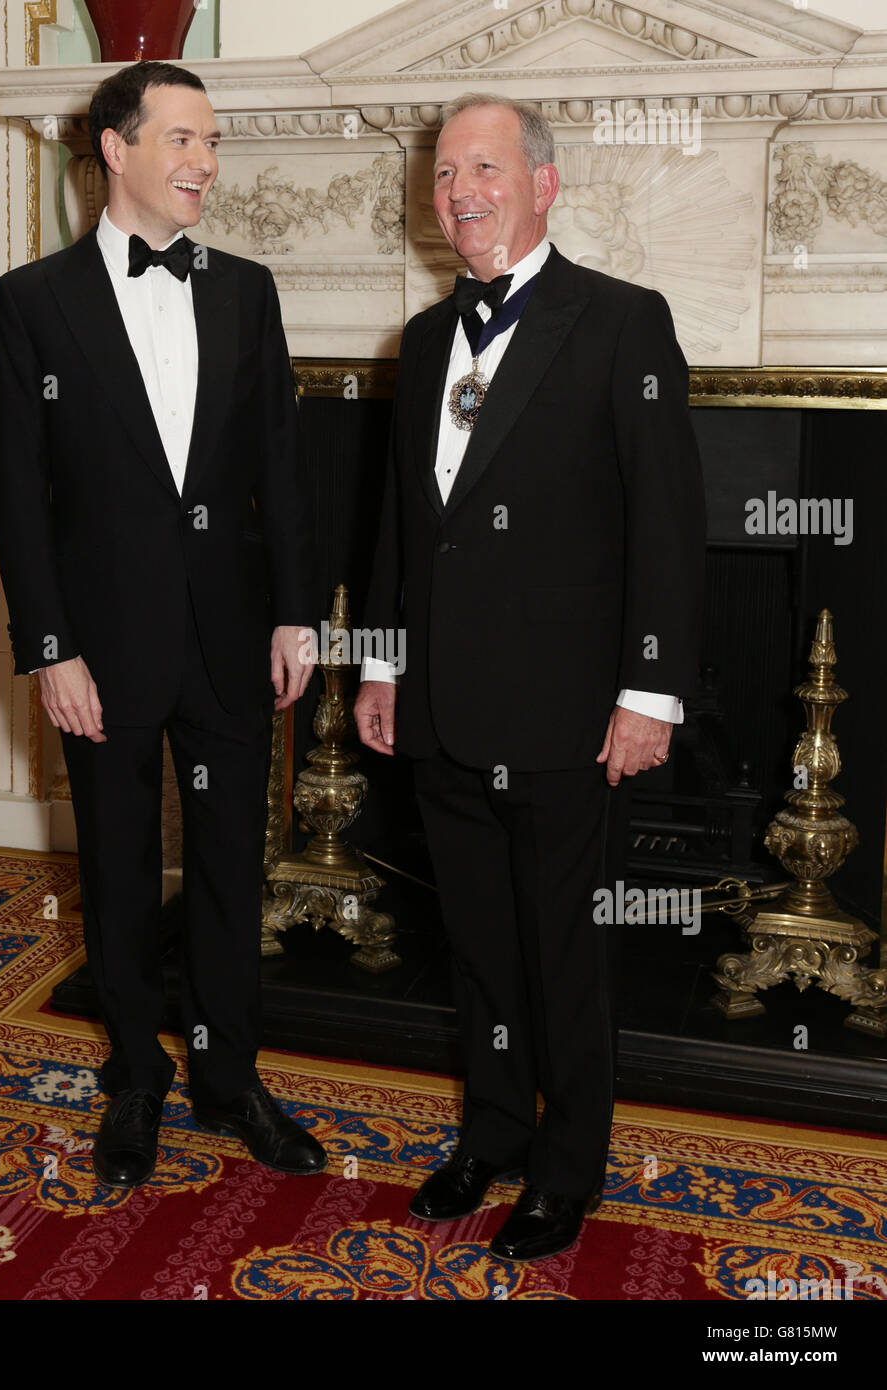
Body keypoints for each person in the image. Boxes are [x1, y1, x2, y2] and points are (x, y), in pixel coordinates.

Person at [354, 93, 705, 1262]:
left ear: (543, 184)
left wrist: (649, 693)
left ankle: (569, 1166)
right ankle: (494, 1130)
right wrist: (386, 662)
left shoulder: (621, 323)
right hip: (445, 709)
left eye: (487, 167)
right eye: (448, 170)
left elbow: (667, 521)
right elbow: (403, 529)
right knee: (481, 947)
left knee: (565, 954)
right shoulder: (420, 341)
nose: (463, 190)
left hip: (570, 715)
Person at [0, 61, 325, 1189]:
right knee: (122, 872)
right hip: (101, 651)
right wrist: (47, 646)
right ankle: (137, 1077)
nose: (205, 165)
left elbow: (283, 462)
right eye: (183, 140)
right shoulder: (32, 302)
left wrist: (294, 613)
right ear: (116, 150)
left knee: (234, 870)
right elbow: (17, 495)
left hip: (233, 643)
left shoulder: (248, 289)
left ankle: (231, 1079)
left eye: (213, 143)